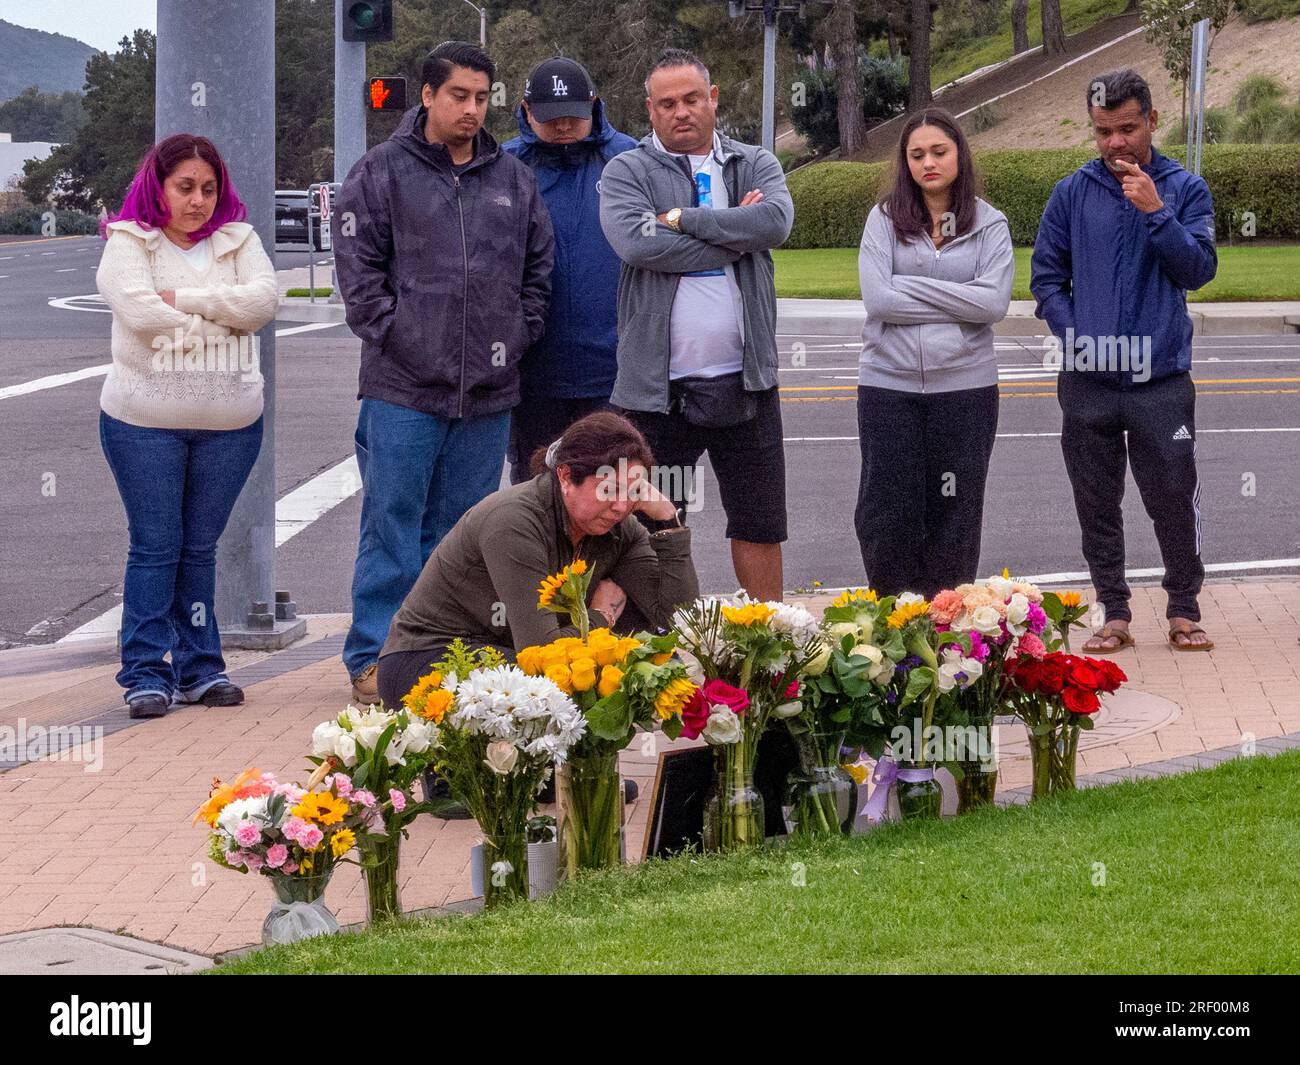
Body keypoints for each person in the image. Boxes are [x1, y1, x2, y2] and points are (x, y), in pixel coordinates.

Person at [334, 41, 556, 704]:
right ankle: (375, 658)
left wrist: (513, 337)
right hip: (402, 389)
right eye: (459, 95)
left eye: (482, 97)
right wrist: (405, 338)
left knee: (462, 535)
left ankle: (442, 660)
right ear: (427, 95)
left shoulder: (512, 179)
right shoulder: (379, 173)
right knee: (392, 524)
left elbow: (539, 274)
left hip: (488, 393)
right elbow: (358, 278)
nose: (471, 109)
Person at [598, 47, 794, 603]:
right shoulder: (626, 170)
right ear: (650, 110)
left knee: (759, 522)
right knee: (647, 525)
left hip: (747, 382)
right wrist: (736, 233)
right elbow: (638, 243)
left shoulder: (754, 162)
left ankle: (767, 641)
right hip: (656, 393)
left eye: (691, 99)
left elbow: (774, 222)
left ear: (712, 99)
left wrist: (684, 220)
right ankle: (647, 653)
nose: (681, 112)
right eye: (667, 104)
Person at [1031, 68, 1217, 653]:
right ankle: (1114, 610)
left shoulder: (1186, 190)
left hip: (1161, 381)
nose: (1116, 143)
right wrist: (1075, 335)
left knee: (1171, 497)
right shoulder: (1072, 193)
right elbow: (1045, 280)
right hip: (1089, 380)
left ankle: (1184, 609)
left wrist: (1156, 211)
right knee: (1096, 501)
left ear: (1153, 122)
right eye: (1104, 131)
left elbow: (1199, 271)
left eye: (1128, 129)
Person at [95, 133, 277, 718]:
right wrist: (219, 328)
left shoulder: (239, 239)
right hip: (144, 424)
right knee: (156, 548)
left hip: (231, 427)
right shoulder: (130, 241)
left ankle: (201, 668)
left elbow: (263, 302)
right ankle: (146, 673)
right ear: (159, 186)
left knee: (199, 550)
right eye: (184, 187)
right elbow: (142, 315)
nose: (197, 200)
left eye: (208, 188)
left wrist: (188, 299)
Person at [376, 411, 698, 708]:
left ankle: (579, 771)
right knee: (578, 673)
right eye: (609, 490)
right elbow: (541, 653)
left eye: (634, 492)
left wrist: (668, 521)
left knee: (617, 664)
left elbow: (680, 620)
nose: (621, 505)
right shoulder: (514, 520)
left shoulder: (618, 526)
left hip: (505, 655)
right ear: (566, 476)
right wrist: (601, 618)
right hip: (426, 659)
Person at [855, 107, 1014, 597]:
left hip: (965, 389)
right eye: (917, 154)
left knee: (956, 509)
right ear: (905, 163)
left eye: (939, 152)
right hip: (889, 386)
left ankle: (947, 625)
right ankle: (893, 618)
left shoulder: (990, 224)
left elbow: (993, 303)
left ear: (959, 155)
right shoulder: (883, 220)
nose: (928, 162)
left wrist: (911, 285)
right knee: (888, 509)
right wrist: (956, 297)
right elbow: (878, 299)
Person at [502, 57, 637, 484]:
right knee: (537, 502)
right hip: (534, 376)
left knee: (612, 499)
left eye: (573, 117)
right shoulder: (503, 166)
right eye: (550, 118)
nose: (563, 127)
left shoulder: (630, 159)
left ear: (594, 105)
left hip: (616, 374)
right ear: (525, 111)